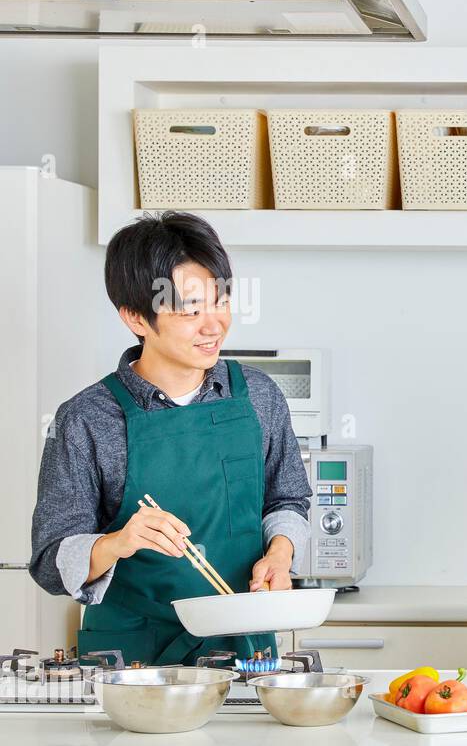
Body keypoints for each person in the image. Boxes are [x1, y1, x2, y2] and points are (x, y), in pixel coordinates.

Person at [29, 212, 312, 665]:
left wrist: (280, 553)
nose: (213, 325)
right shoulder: (85, 419)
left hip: (243, 649)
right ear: (136, 317)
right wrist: (118, 541)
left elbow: (288, 501)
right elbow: (49, 562)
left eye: (220, 301)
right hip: (131, 661)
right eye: (189, 310)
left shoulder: (258, 396)